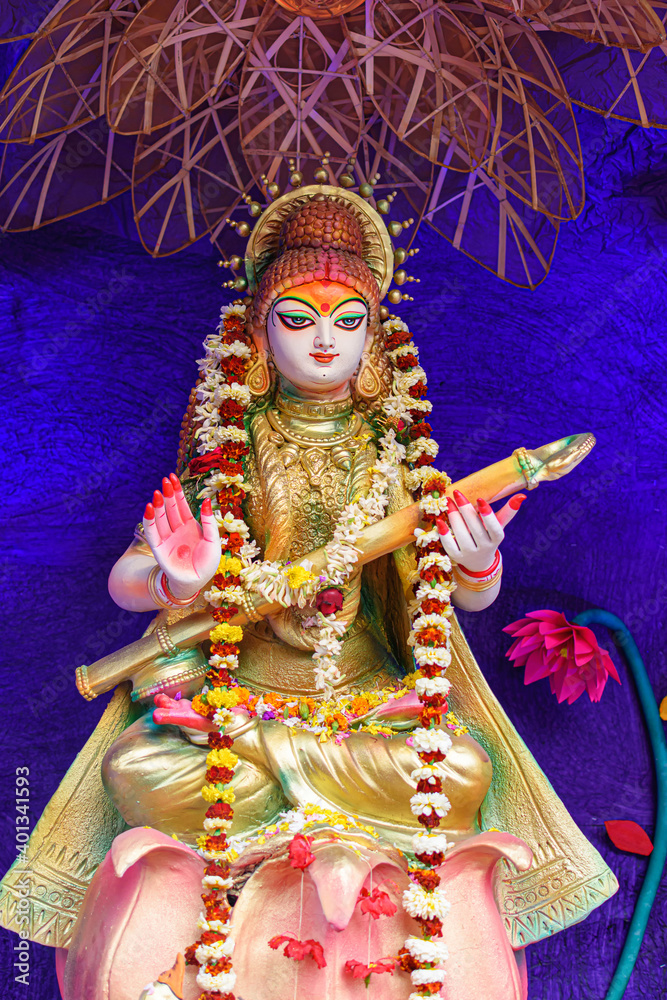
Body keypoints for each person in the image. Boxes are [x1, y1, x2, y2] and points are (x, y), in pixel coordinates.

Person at [0, 188, 616, 989]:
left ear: (375, 338)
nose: (323, 341)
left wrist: (474, 564)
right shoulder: (232, 444)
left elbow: (461, 601)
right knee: (139, 770)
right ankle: (276, 824)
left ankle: (299, 813)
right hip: (242, 687)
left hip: (364, 695)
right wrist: (174, 577)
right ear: (257, 331)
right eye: (297, 318)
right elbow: (127, 584)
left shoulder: (394, 453)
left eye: (346, 321)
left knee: (461, 770)